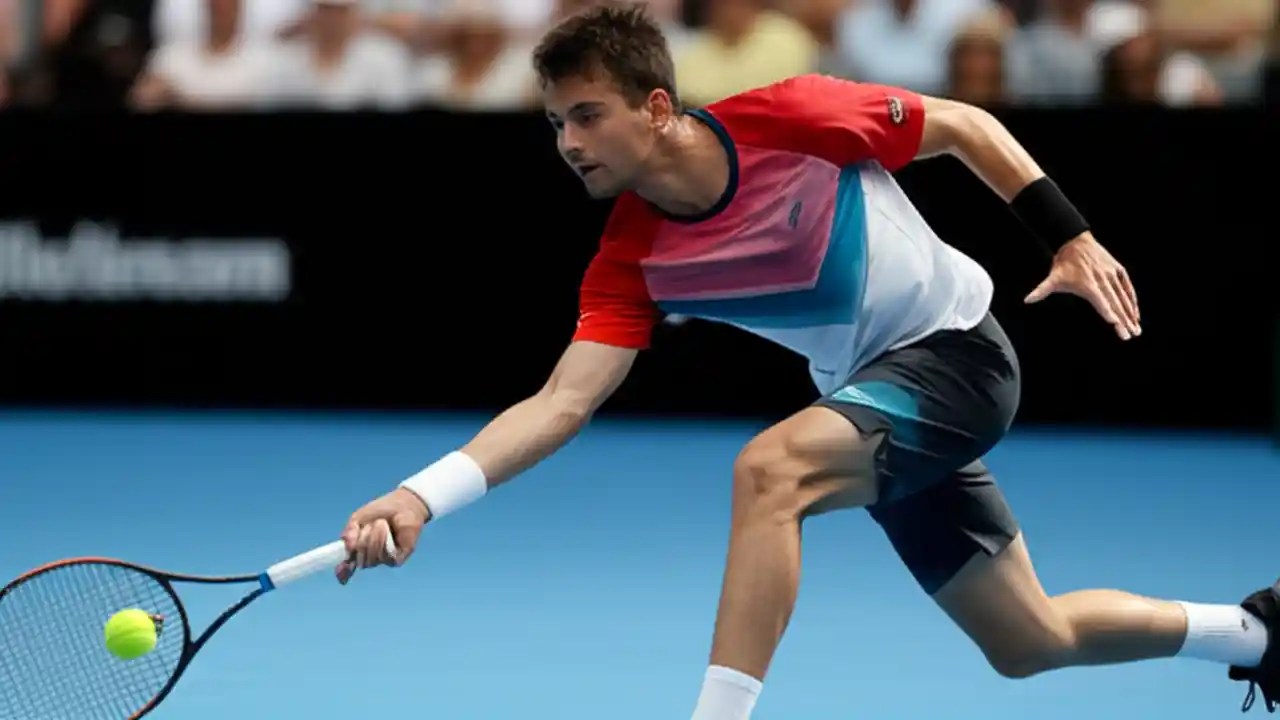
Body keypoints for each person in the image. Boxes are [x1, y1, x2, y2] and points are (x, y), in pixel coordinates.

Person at [334, 3, 1280, 717]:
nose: (568, 143)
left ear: (656, 108)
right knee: (1030, 639)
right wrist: (421, 495)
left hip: (956, 359)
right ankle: (1255, 633)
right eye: (555, 124)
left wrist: (1066, 238)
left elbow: (964, 127)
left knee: (769, 470)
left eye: (586, 116)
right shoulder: (630, 256)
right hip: (876, 402)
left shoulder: (792, 115)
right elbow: (561, 402)